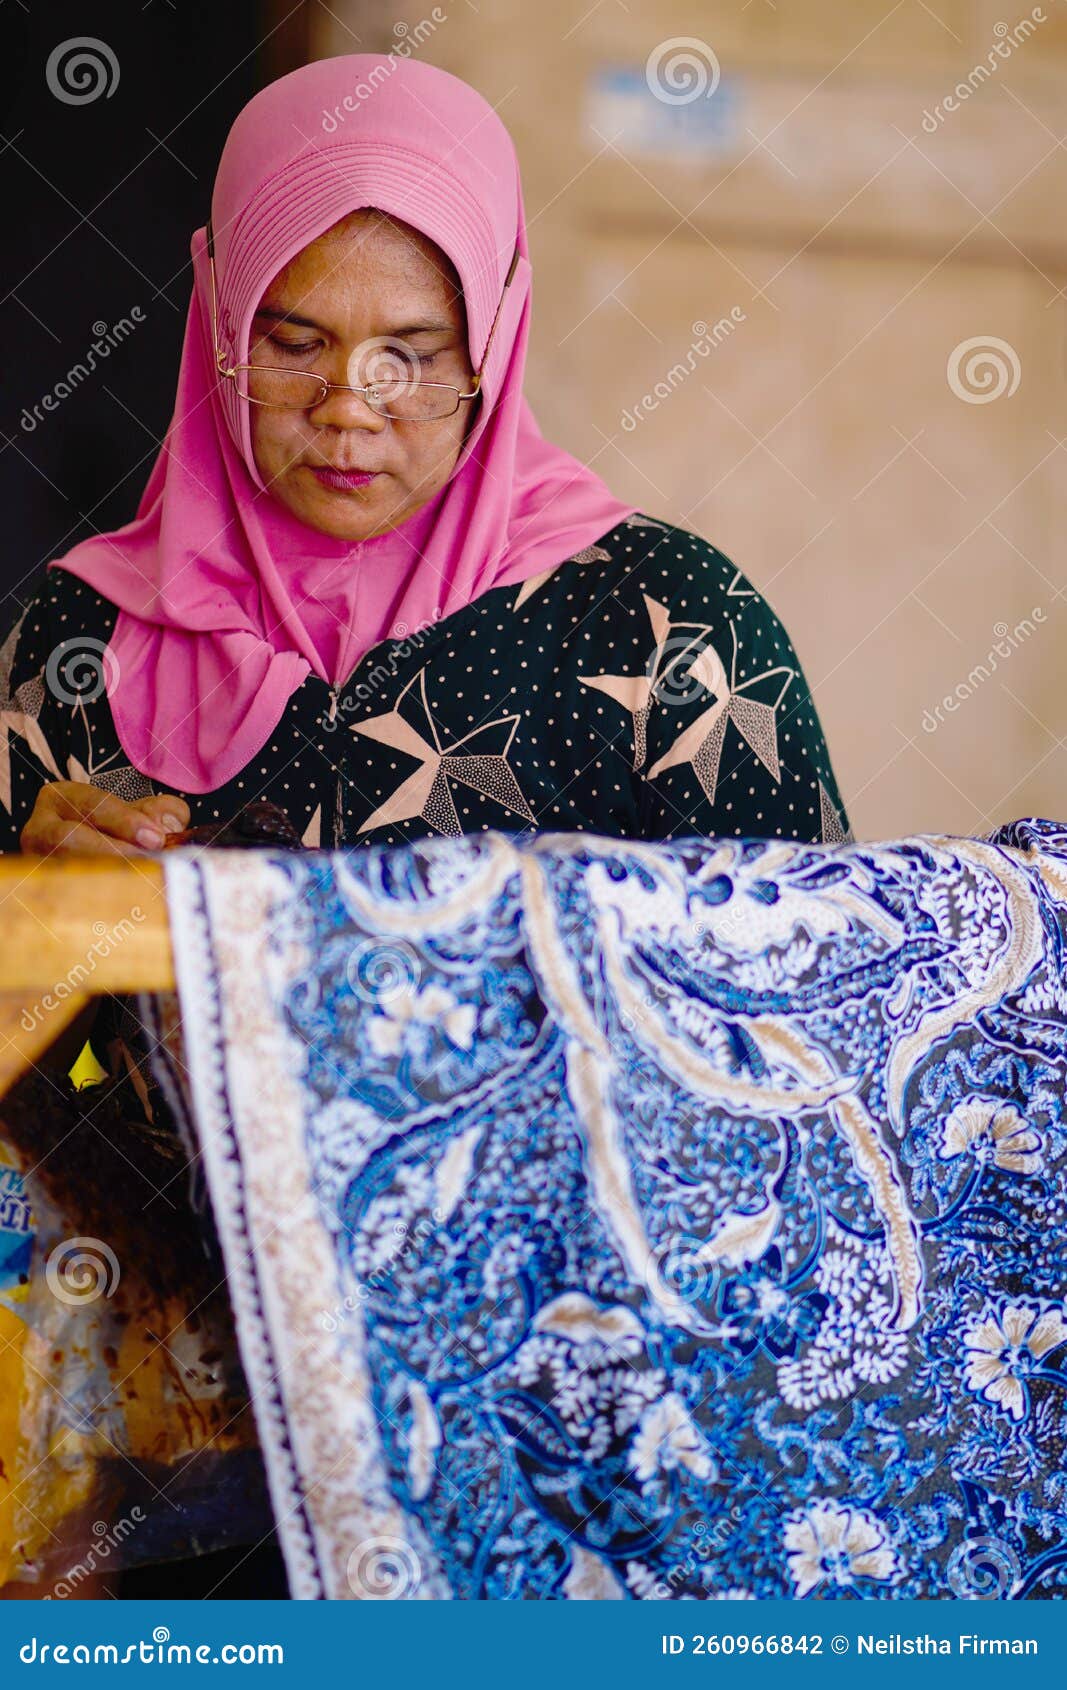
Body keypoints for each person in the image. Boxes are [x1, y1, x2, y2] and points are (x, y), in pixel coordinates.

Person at [0, 53, 851, 1597]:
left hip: (567, 1453)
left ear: (495, 342)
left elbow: (807, 1062)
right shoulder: (75, 656)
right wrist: (36, 922)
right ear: (218, 323)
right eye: (296, 341)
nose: (349, 407)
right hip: (170, 1448)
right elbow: (33, 1085)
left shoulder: (664, 641)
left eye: (414, 351)